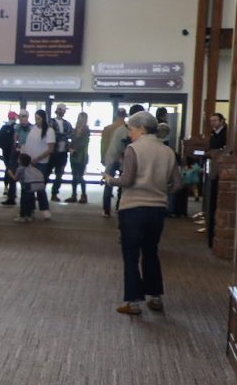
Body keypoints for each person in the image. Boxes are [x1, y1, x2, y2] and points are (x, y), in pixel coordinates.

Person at [107, 111, 181, 315]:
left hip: (133, 208)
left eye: (131, 129)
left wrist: (110, 180)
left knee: (131, 255)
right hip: (157, 209)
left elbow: (127, 180)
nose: (129, 134)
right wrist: (160, 190)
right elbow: (177, 183)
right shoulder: (167, 151)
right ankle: (155, 298)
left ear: (141, 128)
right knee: (151, 252)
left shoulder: (133, 149)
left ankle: (133, 302)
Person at [22, 109, 55, 218]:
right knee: (29, 186)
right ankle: (30, 208)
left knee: (39, 186)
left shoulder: (49, 131)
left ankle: (44, 208)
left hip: (41, 163)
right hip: (30, 162)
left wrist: (38, 158)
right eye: (36, 119)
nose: (37, 121)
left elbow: (50, 149)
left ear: (44, 119)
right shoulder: (33, 129)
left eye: (39, 119)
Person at [100, 108, 128, 217]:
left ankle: (106, 210)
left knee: (108, 182)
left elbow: (103, 145)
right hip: (123, 159)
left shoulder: (108, 128)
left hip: (111, 158)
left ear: (116, 115)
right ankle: (119, 206)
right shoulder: (127, 129)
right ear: (125, 115)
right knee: (122, 183)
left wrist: (103, 158)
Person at [65, 111, 91, 204]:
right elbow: (71, 140)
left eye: (82, 118)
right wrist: (70, 148)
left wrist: (74, 149)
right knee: (74, 176)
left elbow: (84, 143)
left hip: (81, 156)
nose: (81, 120)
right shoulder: (75, 129)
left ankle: (84, 195)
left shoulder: (86, 130)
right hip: (74, 156)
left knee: (80, 176)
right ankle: (74, 195)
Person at [14, 153, 48, 222]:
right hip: (37, 185)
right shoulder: (34, 169)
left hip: (27, 186)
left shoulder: (20, 169)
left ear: (20, 161)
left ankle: (23, 216)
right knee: (30, 201)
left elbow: (16, 178)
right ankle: (29, 215)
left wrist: (10, 173)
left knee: (24, 201)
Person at [49, 104, 73, 199]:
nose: (63, 112)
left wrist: (61, 135)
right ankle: (40, 192)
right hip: (52, 152)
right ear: (58, 110)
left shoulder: (67, 123)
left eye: (64, 110)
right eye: (62, 110)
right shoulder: (51, 122)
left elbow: (71, 134)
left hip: (63, 153)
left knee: (59, 175)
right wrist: (63, 135)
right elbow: (52, 135)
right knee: (47, 173)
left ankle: (54, 193)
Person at [0, 112, 21, 207]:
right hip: (13, 153)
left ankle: (7, 188)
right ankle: (11, 192)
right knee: (12, 171)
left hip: (6, 152)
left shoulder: (3, 128)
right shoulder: (16, 127)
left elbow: (0, 140)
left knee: (8, 170)